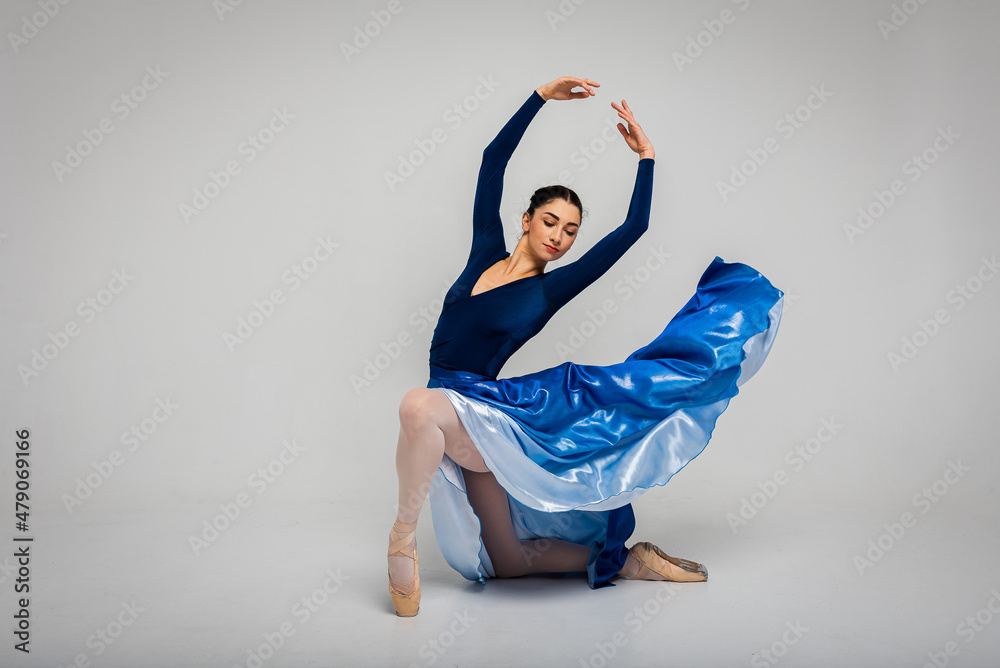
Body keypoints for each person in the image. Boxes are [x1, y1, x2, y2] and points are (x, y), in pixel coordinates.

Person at [387, 76, 783, 617]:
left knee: (416, 405)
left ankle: (400, 542)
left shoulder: (551, 288)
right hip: (454, 416)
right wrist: (539, 99)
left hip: (477, 411)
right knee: (506, 563)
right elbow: (491, 161)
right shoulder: (484, 251)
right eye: (550, 221)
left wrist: (646, 160)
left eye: (571, 231)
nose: (559, 236)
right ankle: (624, 560)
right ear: (526, 221)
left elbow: (633, 227)